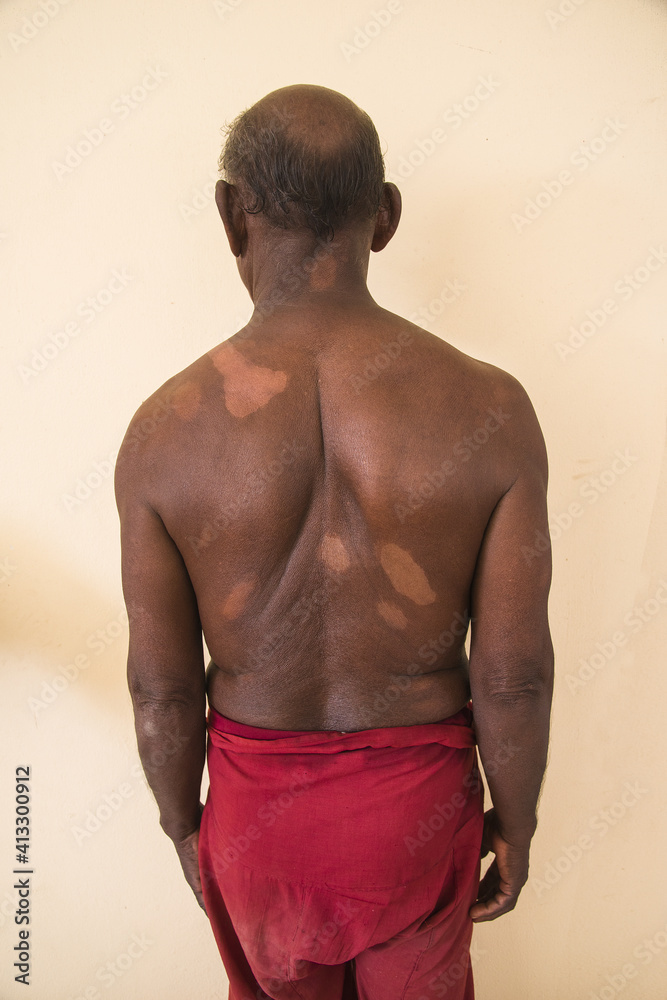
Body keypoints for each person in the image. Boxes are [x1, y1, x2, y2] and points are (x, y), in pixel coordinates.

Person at [115, 83, 554, 1000]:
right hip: (416, 818)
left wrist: (182, 827)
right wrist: (513, 824)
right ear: (385, 215)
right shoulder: (492, 409)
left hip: (256, 821)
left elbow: (161, 688)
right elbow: (511, 676)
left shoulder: (162, 431)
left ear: (233, 215)